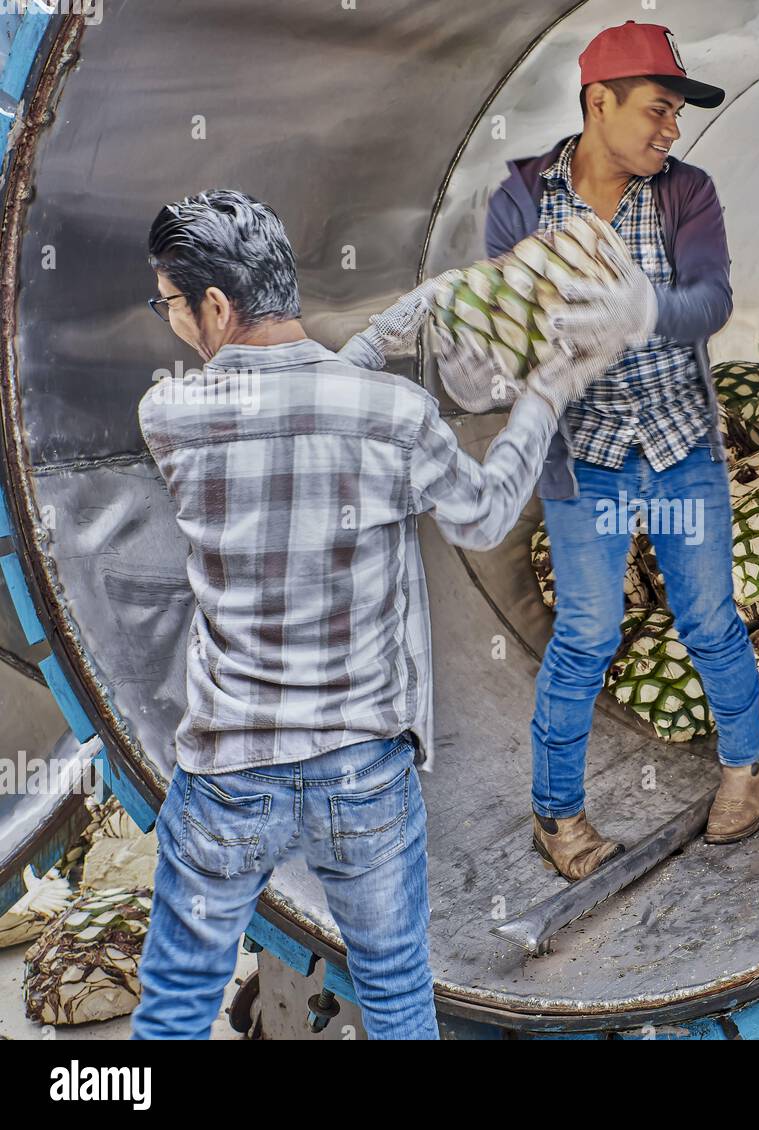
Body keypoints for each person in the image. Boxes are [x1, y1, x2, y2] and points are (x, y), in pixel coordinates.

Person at [130, 188, 642, 1038]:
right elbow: (477, 512)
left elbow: (292, 407)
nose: (174, 323)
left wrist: (373, 341)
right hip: (361, 769)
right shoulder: (397, 418)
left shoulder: (170, 416)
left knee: (177, 1007)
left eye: (172, 304)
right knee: (399, 996)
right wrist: (548, 390)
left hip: (226, 774)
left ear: (216, 306)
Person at [484, 21, 759, 882]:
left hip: (682, 444)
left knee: (710, 620)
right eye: (657, 110)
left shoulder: (688, 193)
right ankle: (558, 815)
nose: (669, 130)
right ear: (597, 101)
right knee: (586, 633)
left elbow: (712, 298)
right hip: (589, 457)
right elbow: (506, 320)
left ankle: (746, 767)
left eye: (677, 114)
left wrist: (635, 313)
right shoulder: (522, 198)